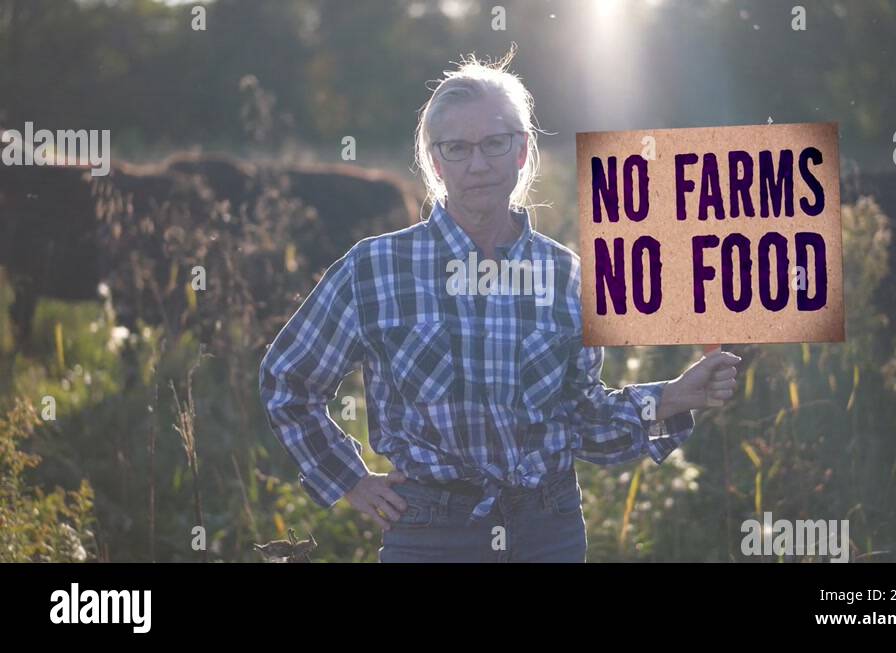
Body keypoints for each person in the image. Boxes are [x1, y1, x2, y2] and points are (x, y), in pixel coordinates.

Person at [259, 48, 741, 562]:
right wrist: (350, 480)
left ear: (521, 150)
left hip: (547, 529)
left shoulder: (564, 274)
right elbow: (288, 380)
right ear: (435, 160)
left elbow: (581, 419)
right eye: (457, 148)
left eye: (495, 143)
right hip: (431, 532)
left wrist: (672, 397)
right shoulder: (376, 268)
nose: (478, 164)